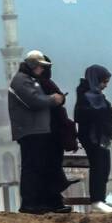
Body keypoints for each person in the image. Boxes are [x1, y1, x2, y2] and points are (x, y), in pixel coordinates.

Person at [8, 50, 68, 214]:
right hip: (30, 131)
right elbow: (34, 101)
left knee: (39, 167)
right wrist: (53, 99)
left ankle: (42, 202)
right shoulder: (21, 81)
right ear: (34, 65)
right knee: (31, 167)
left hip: (37, 130)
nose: (43, 70)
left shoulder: (29, 80)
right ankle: (29, 203)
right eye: (41, 66)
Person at [74, 64, 112, 213]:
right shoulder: (85, 95)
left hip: (100, 137)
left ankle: (100, 199)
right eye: (104, 82)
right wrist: (103, 112)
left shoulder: (97, 96)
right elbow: (82, 115)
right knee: (98, 167)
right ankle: (97, 200)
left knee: (104, 167)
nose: (105, 86)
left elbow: (103, 114)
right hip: (91, 136)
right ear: (95, 79)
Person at [39, 62, 77, 207]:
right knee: (53, 167)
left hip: (49, 132)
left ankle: (53, 199)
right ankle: (54, 201)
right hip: (52, 133)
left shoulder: (40, 84)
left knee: (51, 167)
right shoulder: (46, 84)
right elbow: (55, 104)